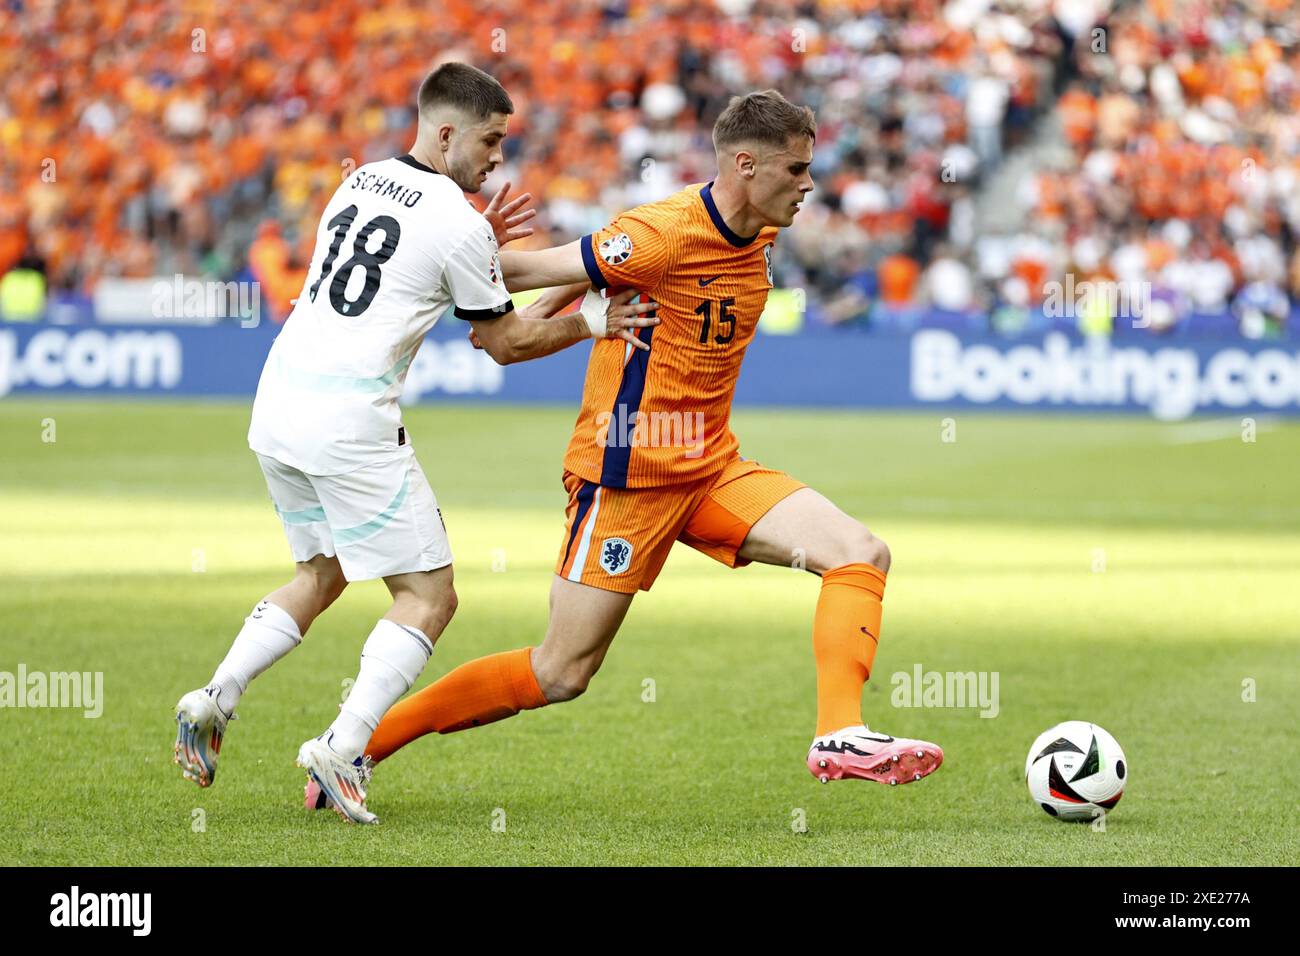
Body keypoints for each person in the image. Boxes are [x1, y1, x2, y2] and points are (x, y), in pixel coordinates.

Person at [316, 89, 943, 817]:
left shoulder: (760, 228)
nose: (810, 184)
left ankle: (840, 734)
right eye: (797, 169)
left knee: (860, 553)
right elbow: (525, 281)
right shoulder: (659, 234)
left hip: (709, 467)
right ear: (746, 165)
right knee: (562, 671)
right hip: (627, 478)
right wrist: (480, 265)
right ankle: (358, 743)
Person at [172, 62, 656, 824]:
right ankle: (342, 746)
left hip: (278, 404)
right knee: (429, 596)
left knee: (320, 572)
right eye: (491, 140)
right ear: (445, 131)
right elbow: (502, 342)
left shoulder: (360, 180)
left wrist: (484, 247)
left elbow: (413, 264)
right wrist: (593, 322)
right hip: (348, 421)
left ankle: (213, 697)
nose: (499, 157)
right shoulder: (456, 222)